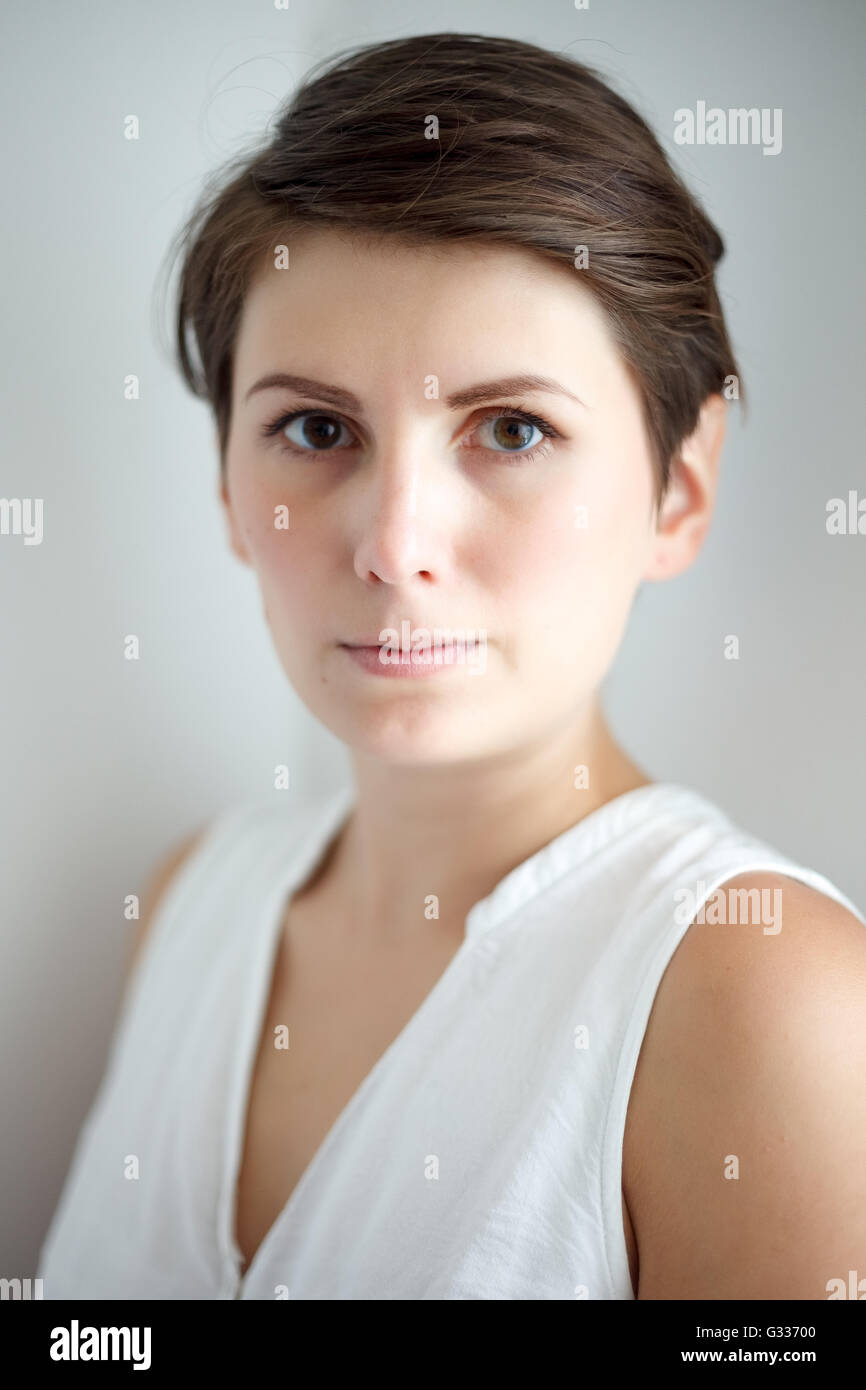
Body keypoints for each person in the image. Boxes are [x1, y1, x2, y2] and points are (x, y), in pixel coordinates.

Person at [39, 31, 866, 1301]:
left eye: (512, 429)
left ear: (675, 490)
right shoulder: (194, 899)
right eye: (313, 429)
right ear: (225, 480)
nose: (390, 546)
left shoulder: (767, 1001)